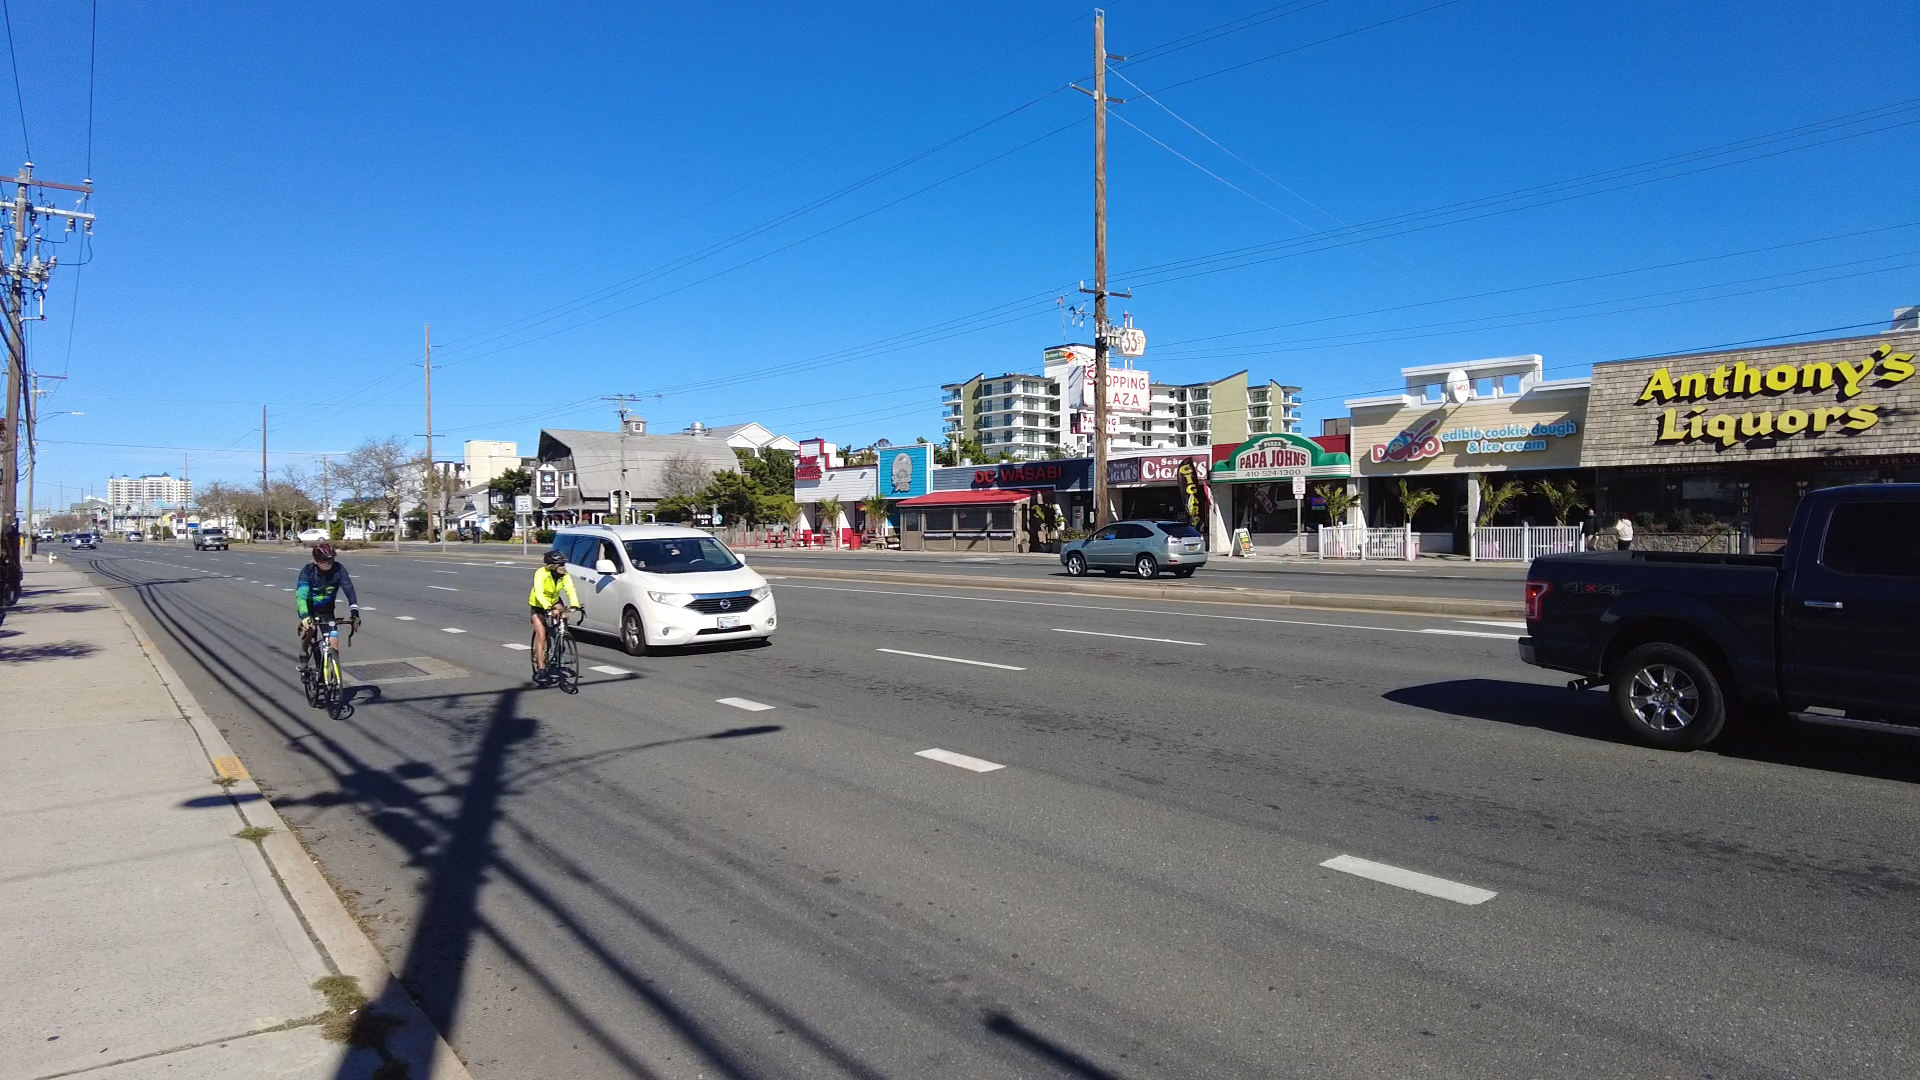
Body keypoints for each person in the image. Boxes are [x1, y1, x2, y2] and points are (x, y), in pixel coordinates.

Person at [296, 543, 360, 672]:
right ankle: (304, 653)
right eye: (323, 560)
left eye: (330, 559)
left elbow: (349, 590)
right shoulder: (308, 571)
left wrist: (355, 612)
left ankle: (332, 676)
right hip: (309, 610)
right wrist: (304, 616)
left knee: (334, 643)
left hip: (327, 611)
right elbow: (301, 595)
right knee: (311, 629)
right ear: (316, 561)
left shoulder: (338, 569)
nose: (327, 563)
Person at [528, 549, 580, 675]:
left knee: (564, 615)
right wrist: (547, 607)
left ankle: (560, 638)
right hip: (539, 604)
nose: (564, 567)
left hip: (554, 600)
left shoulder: (564, 575)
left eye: (564, 564)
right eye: (561, 564)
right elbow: (539, 592)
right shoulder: (541, 573)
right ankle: (540, 669)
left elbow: (570, 589)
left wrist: (575, 604)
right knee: (541, 635)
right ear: (553, 566)